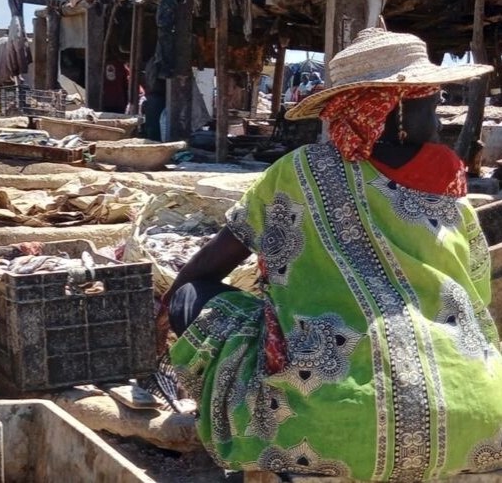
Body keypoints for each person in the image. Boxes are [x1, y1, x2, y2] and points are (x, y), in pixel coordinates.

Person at [161, 28, 502, 481]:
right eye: (432, 106)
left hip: (327, 432)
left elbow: (213, 263)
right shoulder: (452, 192)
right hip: (480, 419)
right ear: (395, 108)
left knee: (193, 298)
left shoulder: (296, 172)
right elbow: (477, 295)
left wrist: (166, 307)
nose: (440, 123)